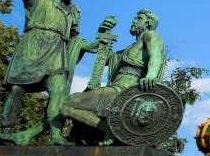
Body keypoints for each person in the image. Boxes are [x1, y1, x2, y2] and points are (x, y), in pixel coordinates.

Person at [0, 0, 112, 145]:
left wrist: (94, 45)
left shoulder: (73, 12)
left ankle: (56, 135)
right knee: (17, 90)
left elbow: (76, 41)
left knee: (58, 95)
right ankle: (7, 130)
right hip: (32, 49)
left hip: (57, 56)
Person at [58, 9, 165, 145]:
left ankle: (108, 130)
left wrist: (151, 76)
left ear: (148, 23)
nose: (133, 21)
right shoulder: (130, 47)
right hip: (114, 88)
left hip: (124, 91)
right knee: (68, 103)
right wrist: (103, 34)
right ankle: (106, 130)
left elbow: (156, 56)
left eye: (138, 18)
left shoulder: (150, 35)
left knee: (65, 106)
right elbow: (106, 59)